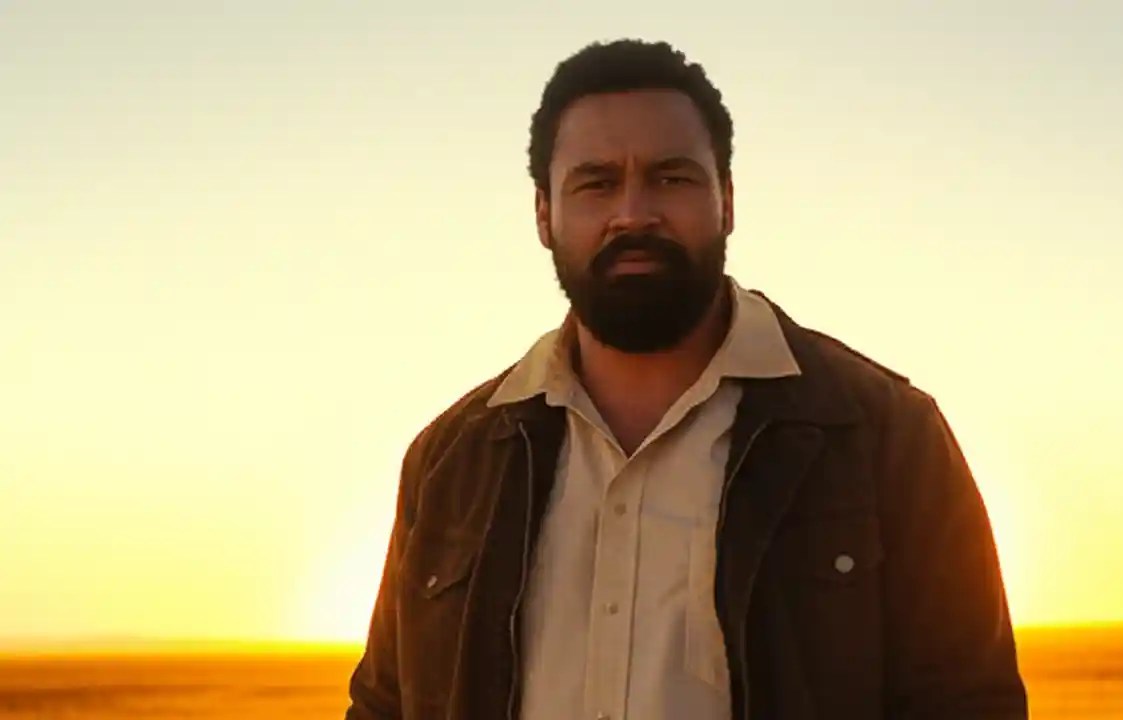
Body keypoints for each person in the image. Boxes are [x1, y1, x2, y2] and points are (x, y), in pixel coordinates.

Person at [345, 38, 1027, 720]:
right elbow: (383, 705)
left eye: (671, 178)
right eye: (597, 182)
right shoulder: (450, 461)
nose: (634, 213)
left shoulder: (885, 438)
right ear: (544, 215)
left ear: (727, 201)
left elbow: (970, 703)